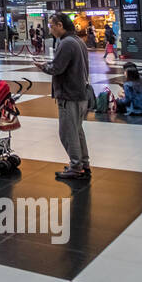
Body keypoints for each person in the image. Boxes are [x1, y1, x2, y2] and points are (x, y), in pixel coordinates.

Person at [34, 12, 91, 182]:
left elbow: (56, 68)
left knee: (67, 132)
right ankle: (83, 163)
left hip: (69, 94)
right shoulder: (78, 41)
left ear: (60, 25)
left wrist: (43, 67)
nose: (50, 29)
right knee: (77, 130)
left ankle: (75, 167)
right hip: (80, 93)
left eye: (51, 26)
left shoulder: (66, 43)